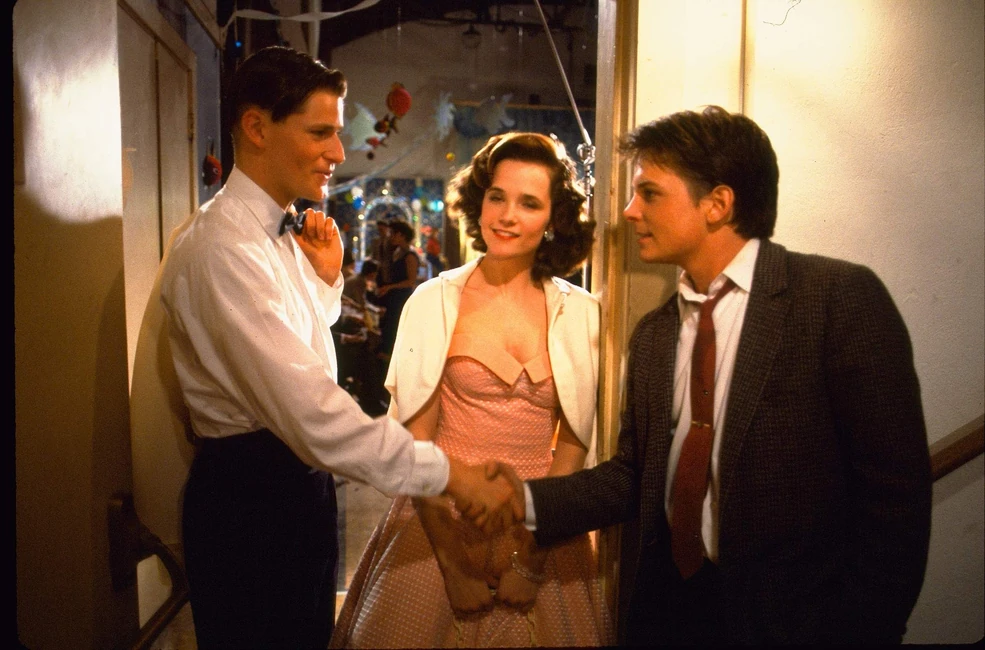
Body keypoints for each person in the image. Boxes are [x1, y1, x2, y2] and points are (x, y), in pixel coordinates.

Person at [496, 106, 933, 645]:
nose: (629, 212)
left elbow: (895, 498)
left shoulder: (834, 299)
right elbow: (635, 476)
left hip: (794, 623)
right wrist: (522, 500)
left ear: (718, 204)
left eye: (649, 193)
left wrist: (864, 630)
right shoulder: (655, 333)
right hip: (672, 616)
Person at [157, 46, 518, 650]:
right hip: (252, 499)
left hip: (294, 486)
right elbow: (311, 411)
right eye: (320, 132)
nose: (339, 153)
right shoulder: (223, 247)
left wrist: (324, 282)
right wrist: (449, 474)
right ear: (256, 127)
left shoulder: (274, 232)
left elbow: (293, 347)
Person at [331, 132, 614, 648]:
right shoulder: (433, 301)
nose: (507, 216)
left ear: (554, 218)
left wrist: (531, 561)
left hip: (543, 525)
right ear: (478, 201)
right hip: (440, 519)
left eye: (529, 203)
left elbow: (573, 445)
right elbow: (415, 445)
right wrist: (453, 566)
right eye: (497, 197)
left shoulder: (582, 313)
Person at [375, 219, 420, 360]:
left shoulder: (410, 255)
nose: (391, 237)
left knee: (395, 326)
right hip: (394, 297)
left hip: (402, 297)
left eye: (393, 234)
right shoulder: (397, 252)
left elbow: (410, 281)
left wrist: (390, 287)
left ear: (401, 235)